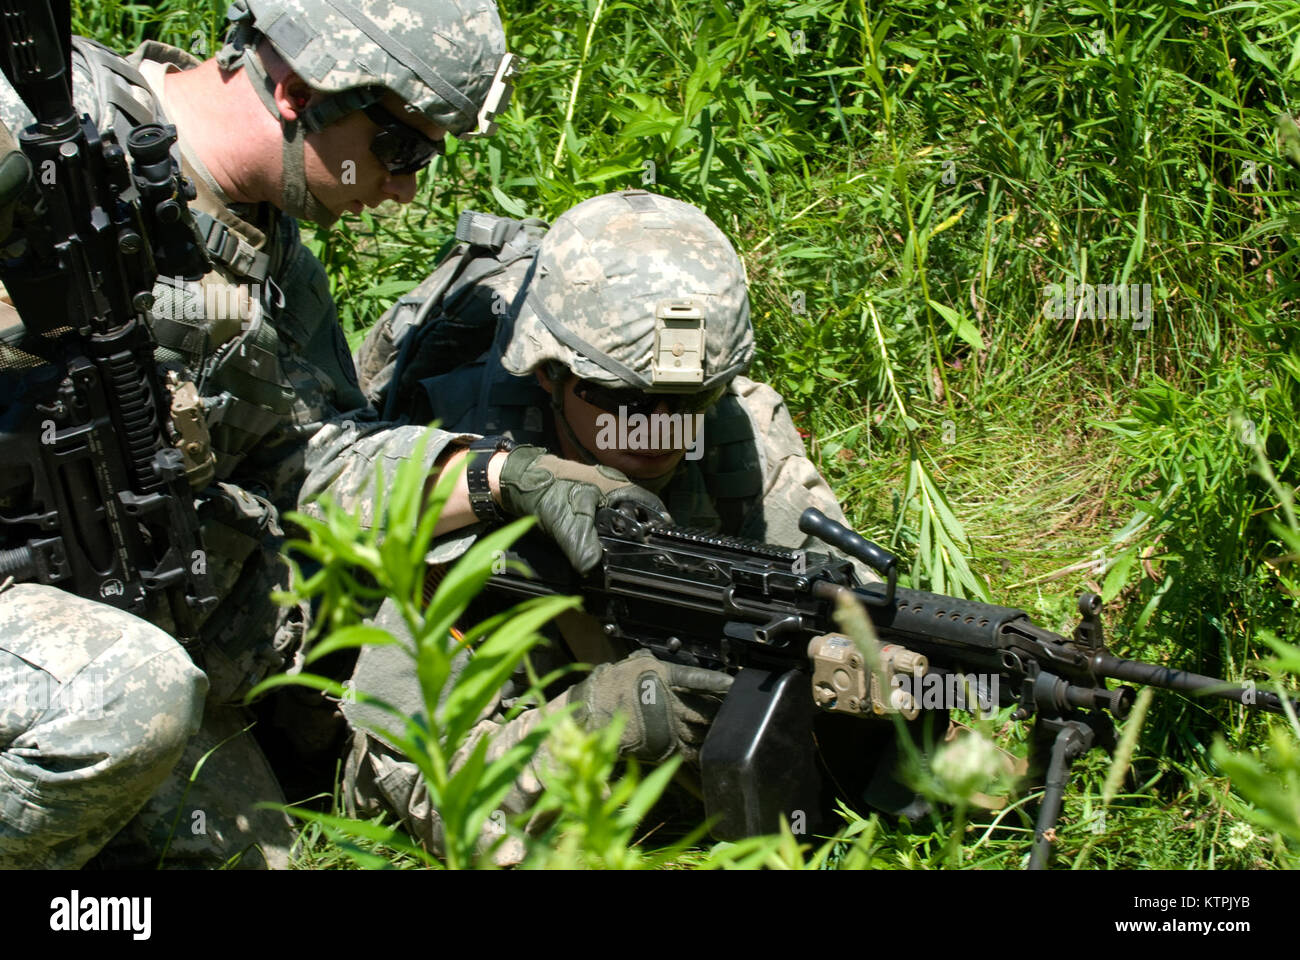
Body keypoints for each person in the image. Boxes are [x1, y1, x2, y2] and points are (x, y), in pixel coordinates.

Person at [0, 0, 533, 868]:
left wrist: (507, 478)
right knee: (132, 703)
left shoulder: (273, 268)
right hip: (80, 645)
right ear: (298, 87)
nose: (403, 189)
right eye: (402, 150)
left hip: (88, 605)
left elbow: (316, 458)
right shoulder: (41, 124)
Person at [339, 189, 881, 864]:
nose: (657, 425)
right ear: (547, 374)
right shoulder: (461, 474)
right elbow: (410, 796)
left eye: (689, 399)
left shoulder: (736, 433)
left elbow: (852, 614)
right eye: (623, 398)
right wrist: (611, 716)